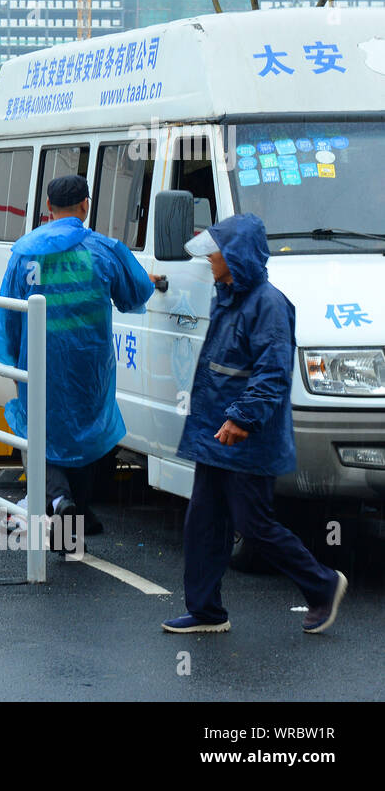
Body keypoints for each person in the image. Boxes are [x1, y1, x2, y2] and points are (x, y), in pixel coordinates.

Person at [163, 214, 347, 634]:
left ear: (237, 255)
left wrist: (242, 418)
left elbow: (274, 372)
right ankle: (206, 611)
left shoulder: (268, 303)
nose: (210, 257)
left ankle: (323, 583)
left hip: (246, 437)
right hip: (217, 433)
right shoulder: (228, 294)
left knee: (254, 525)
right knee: (204, 522)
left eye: (217, 250)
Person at [0, 175, 161, 548]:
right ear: (85, 206)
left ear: (48, 208)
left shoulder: (24, 252)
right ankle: (73, 522)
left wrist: (8, 360)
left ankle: (59, 503)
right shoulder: (104, 250)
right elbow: (135, 295)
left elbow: (7, 315)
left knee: (41, 432)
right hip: (89, 365)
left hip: (38, 364)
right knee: (86, 436)